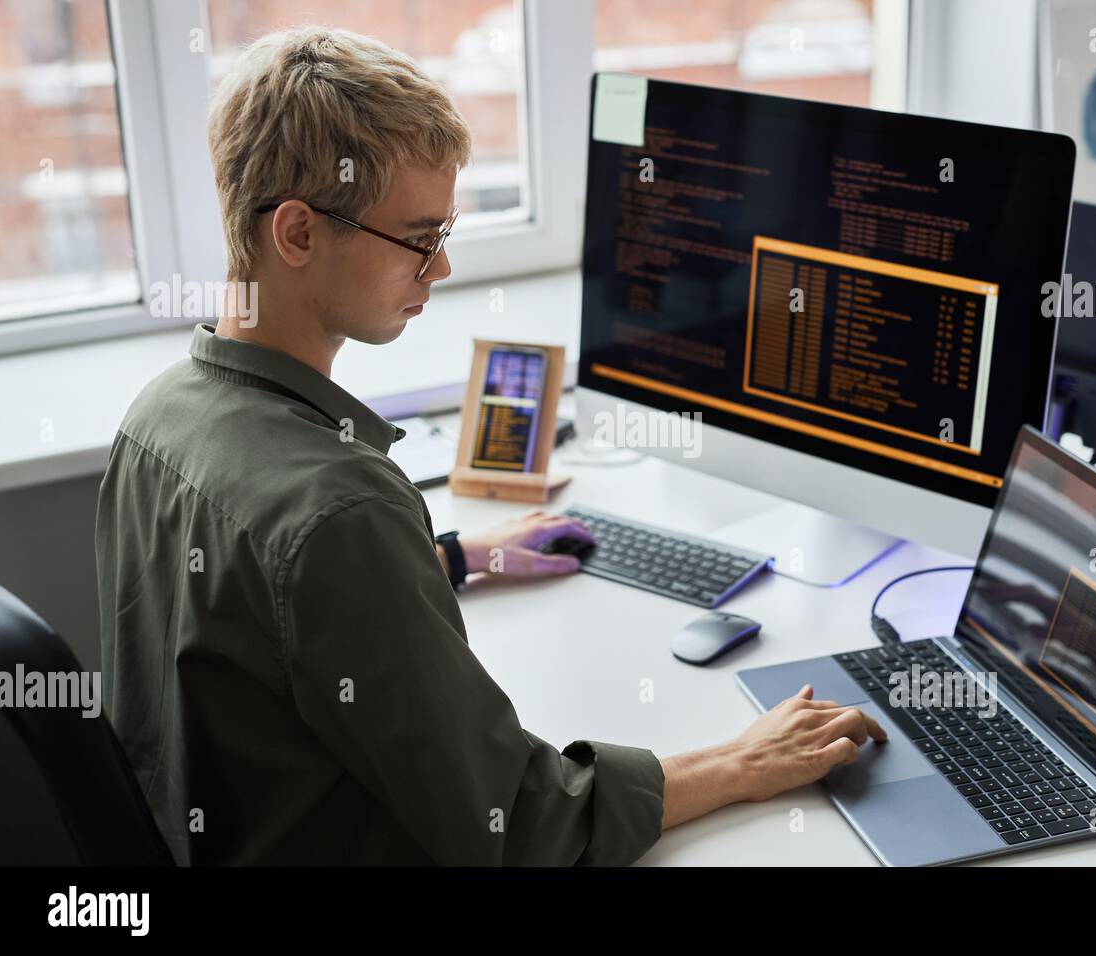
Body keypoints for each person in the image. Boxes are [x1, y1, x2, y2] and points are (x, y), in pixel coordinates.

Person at [95, 26, 885, 866]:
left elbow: (259, 625)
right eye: (418, 239)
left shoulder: (156, 419)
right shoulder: (338, 513)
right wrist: (739, 761)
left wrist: (449, 559)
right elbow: (524, 826)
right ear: (296, 234)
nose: (439, 271)